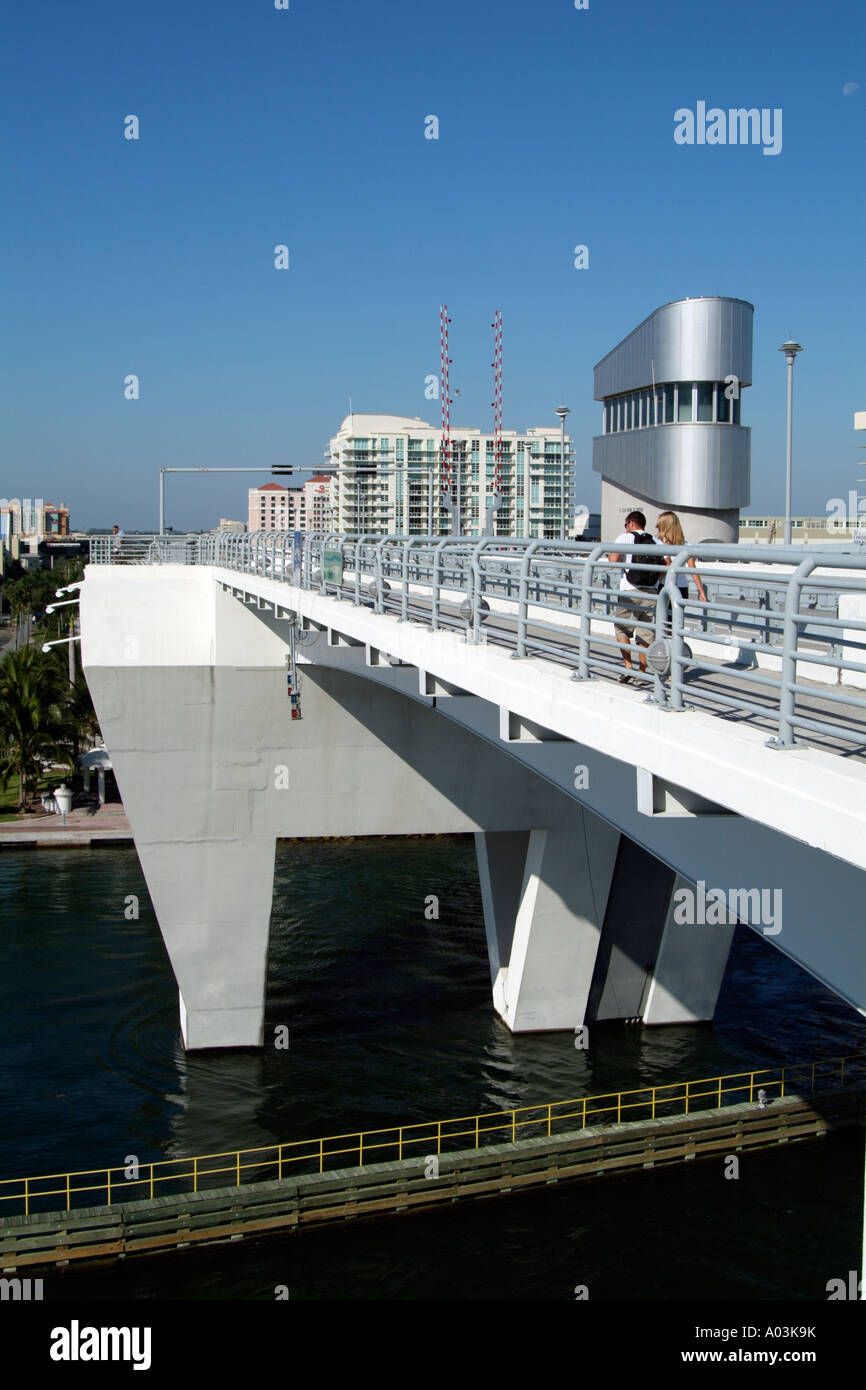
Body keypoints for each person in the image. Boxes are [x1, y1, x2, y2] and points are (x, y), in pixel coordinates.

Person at [608, 510, 664, 683]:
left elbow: (613, 561)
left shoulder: (625, 538)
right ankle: (642, 672)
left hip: (629, 590)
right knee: (646, 633)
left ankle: (628, 667)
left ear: (631, 523)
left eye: (626, 525)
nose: (625, 528)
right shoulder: (656, 541)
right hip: (651, 593)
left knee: (622, 628)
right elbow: (666, 565)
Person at [655, 511, 707, 609]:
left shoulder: (658, 544)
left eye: (659, 525)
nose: (657, 528)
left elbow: (667, 565)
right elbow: (692, 569)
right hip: (682, 587)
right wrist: (701, 590)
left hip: (663, 586)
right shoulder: (687, 546)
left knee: (662, 620)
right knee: (676, 620)